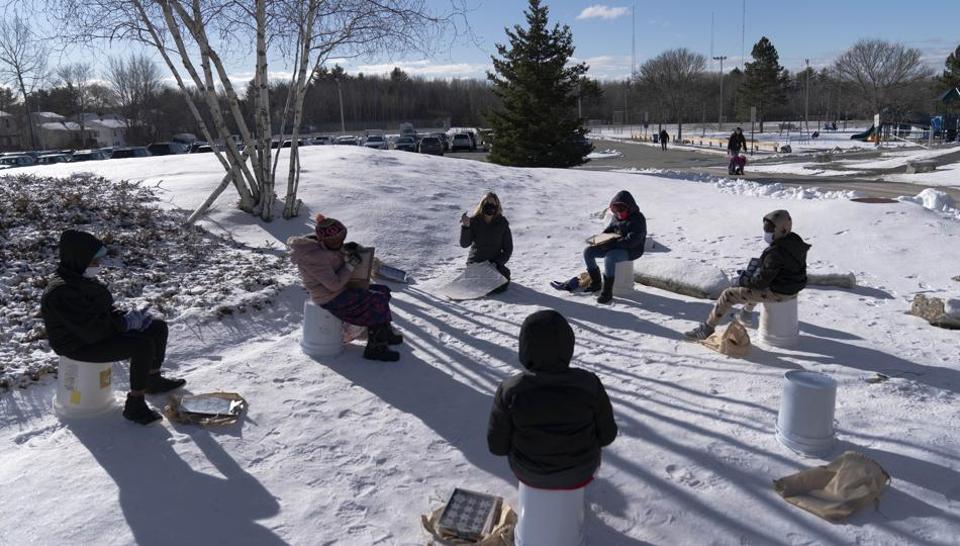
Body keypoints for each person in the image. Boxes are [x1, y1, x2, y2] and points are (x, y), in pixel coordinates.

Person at [40, 230, 185, 425]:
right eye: (94, 260)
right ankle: (135, 404)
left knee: (157, 327)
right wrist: (125, 323)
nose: (98, 265)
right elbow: (91, 331)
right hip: (77, 345)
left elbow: (101, 310)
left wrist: (126, 315)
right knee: (141, 345)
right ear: (80, 258)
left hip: (94, 334)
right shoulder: (62, 293)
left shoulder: (79, 278)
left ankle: (152, 379)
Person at [487, 310, 617, 489]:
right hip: (581, 471)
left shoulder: (510, 389)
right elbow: (607, 436)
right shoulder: (589, 384)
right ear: (568, 345)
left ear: (525, 347)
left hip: (528, 472)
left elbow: (497, 446)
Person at [288, 213, 402, 362]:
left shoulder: (327, 244)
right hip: (329, 297)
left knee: (383, 291)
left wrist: (351, 250)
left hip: (342, 289)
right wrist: (350, 265)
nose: (340, 244)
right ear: (324, 240)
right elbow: (334, 285)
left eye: (342, 240)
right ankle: (376, 348)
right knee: (376, 300)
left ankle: (384, 332)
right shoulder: (314, 257)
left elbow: (334, 255)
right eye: (338, 242)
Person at [684, 210, 811, 340]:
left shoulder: (776, 253)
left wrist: (741, 280)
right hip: (790, 286)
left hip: (779, 293)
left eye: (770, 229)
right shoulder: (794, 241)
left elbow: (760, 283)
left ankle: (707, 328)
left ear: (783, 229)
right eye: (765, 228)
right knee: (754, 282)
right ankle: (746, 313)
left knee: (729, 294)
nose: (767, 232)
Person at [583, 190, 647, 304]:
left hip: (633, 249)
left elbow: (632, 240)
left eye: (621, 210)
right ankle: (596, 283)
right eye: (616, 210)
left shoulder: (638, 219)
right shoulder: (616, 217)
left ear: (629, 207)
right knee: (588, 252)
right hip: (616, 245)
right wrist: (599, 240)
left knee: (610, 257)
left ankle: (607, 292)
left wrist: (611, 245)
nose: (618, 213)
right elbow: (609, 231)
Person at [459, 191, 513, 293]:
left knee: (501, 284)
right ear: (482, 205)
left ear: (497, 206)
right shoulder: (474, 221)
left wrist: (497, 263)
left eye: (492, 203)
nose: (490, 205)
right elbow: (464, 244)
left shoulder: (502, 223)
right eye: (487, 203)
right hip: (476, 262)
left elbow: (508, 249)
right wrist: (466, 227)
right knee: (483, 281)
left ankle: (485, 280)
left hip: (494, 264)